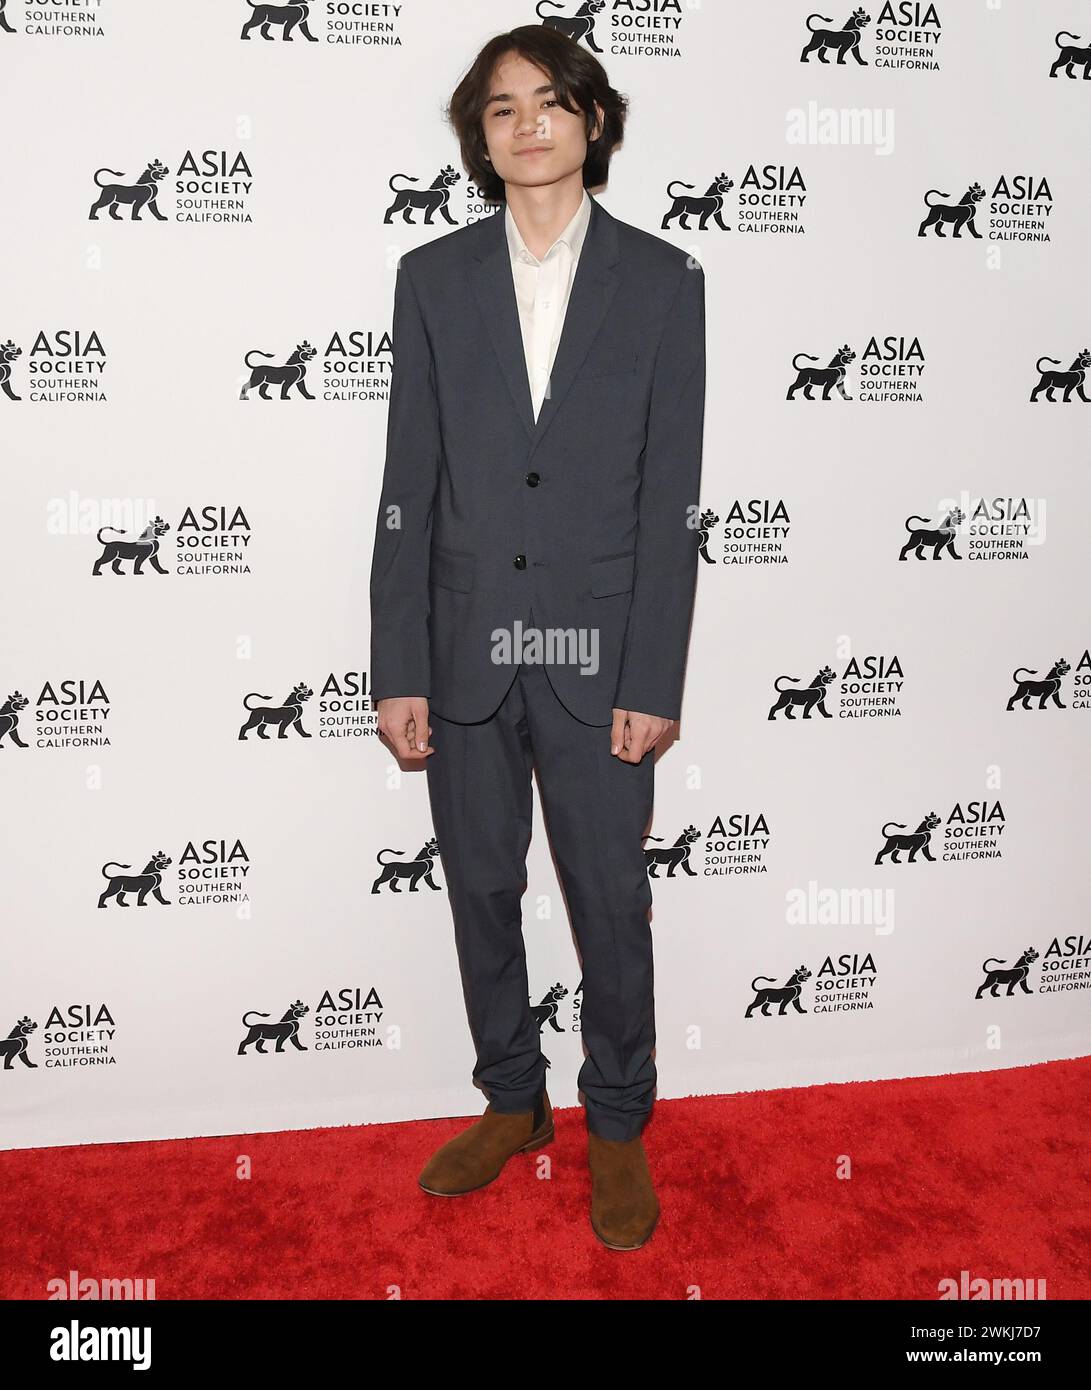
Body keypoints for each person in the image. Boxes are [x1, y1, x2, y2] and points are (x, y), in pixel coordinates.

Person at [369, 23, 705, 1251]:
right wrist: (397, 664)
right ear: (480, 135)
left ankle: (614, 1122)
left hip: (601, 659)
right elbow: (408, 483)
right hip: (460, 652)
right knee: (481, 888)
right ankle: (511, 1099)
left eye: (549, 101)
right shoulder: (431, 278)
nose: (526, 124)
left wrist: (651, 673)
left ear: (593, 122)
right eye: (501, 107)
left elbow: (674, 499)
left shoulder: (666, 285)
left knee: (610, 900)